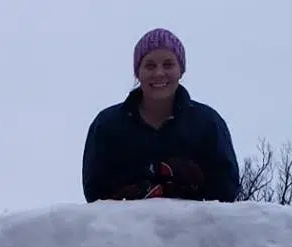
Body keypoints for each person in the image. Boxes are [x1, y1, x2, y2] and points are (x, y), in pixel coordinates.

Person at [82, 28, 240, 204]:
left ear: (181, 70)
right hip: (124, 229)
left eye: (168, 64)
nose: (158, 73)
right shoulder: (107, 126)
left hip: (194, 229)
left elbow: (227, 188)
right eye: (149, 65)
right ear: (137, 72)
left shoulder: (208, 123)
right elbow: (95, 192)